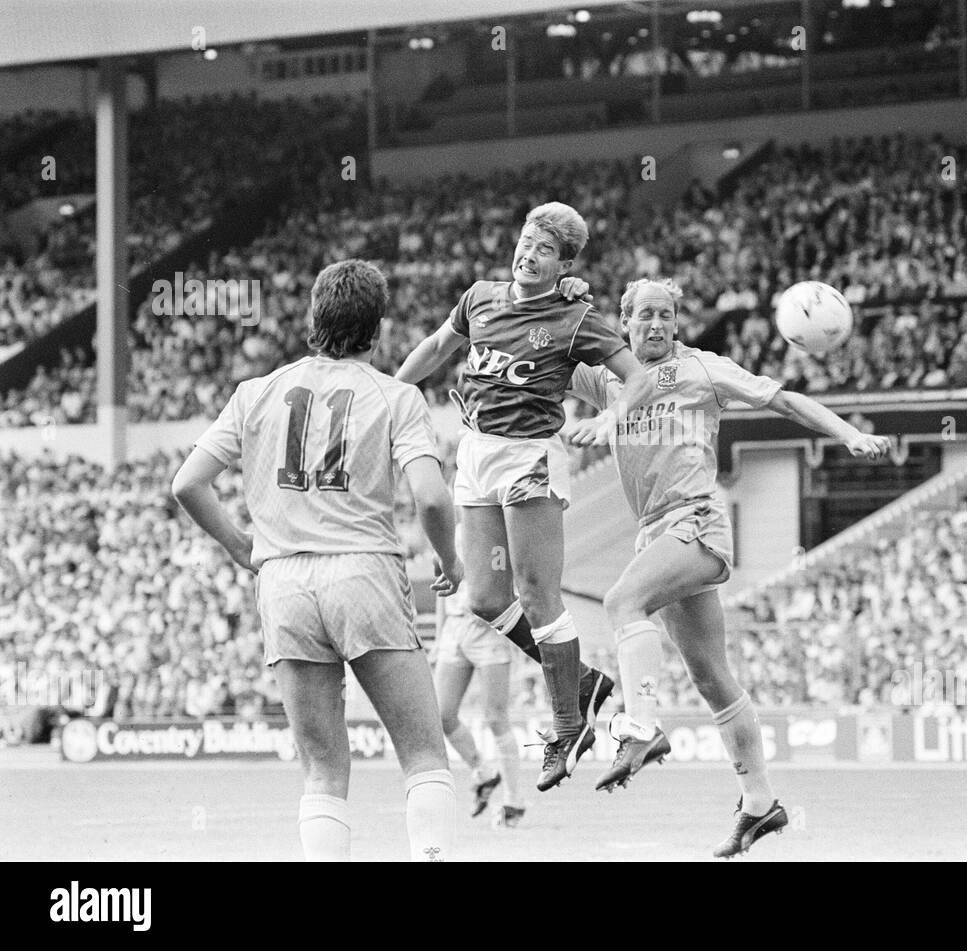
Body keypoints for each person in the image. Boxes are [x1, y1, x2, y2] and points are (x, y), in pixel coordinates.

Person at [566, 278, 891, 857]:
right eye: (645, 315)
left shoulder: (702, 369)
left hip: (696, 522)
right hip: (655, 534)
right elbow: (552, 348)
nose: (657, 325)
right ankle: (761, 804)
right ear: (625, 321)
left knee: (622, 602)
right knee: (712, 679)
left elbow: (784, 400)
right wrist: (565, 298)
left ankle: (641, 726)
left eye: (667, 315)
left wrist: (849, 433)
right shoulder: (609, 378)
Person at [173, 259, 464, 862]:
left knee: (323, 770)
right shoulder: (396, 396)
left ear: (314, 317)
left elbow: (187, 483)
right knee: (422, 753)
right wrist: (450, 560)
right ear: (377, 328)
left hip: (283, 580)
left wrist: (239, 546)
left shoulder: (255, 392)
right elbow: (433, 498)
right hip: (363, 571)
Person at [396, 202, 654, 791]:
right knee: (485, 597)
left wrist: (610, 418)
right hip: (474, 453)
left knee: (538, 594)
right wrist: (387, 390)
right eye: (527, 242)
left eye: (545, 250)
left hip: (529, 457)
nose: (529, 255)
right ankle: (583, 682)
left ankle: (569, 726)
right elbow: (435, 348)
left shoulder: (575, 317)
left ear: (564, 265)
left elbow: (637, 378)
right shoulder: (480, 298)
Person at [436, 581, 527, 829]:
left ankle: (513, 802)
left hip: (488, 629)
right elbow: (441, 586)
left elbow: (516, 578)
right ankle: (484, 773)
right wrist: (440, 634)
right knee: (442, 714)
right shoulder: (445, 550)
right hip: (453, 627)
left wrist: (497, 611)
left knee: (495, 717)